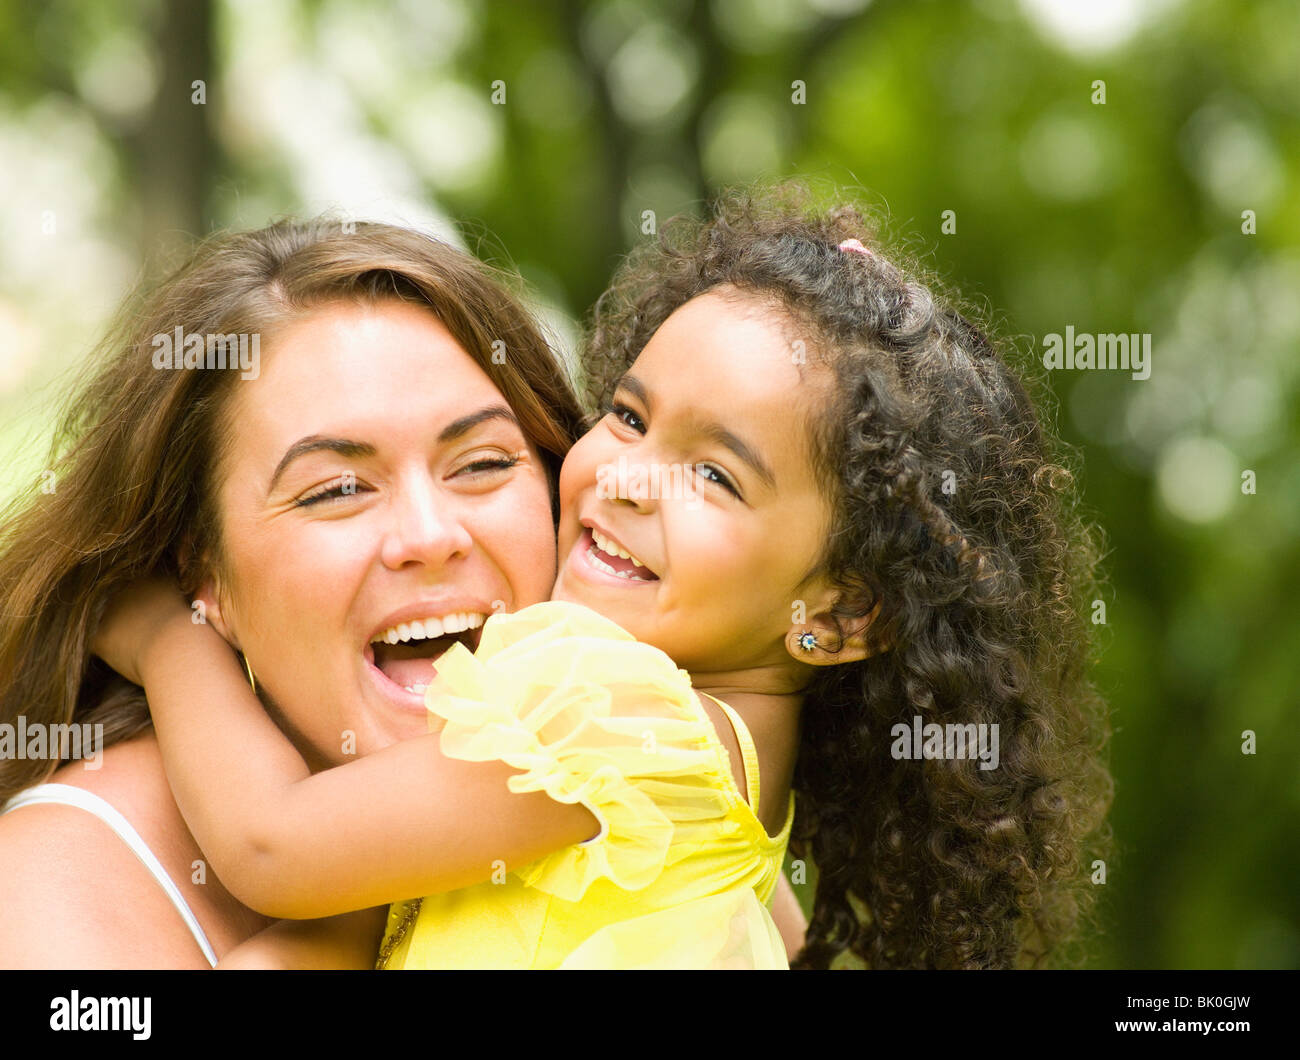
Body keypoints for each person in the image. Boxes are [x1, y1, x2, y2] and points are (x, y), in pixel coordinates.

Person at [94, 184, 1111, 969]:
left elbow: (274, 844)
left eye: (713, 474)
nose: (623, 477)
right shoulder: (741, 797)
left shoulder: (614, 711)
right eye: (626, 416)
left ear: (842, 612)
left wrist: (159, 635)